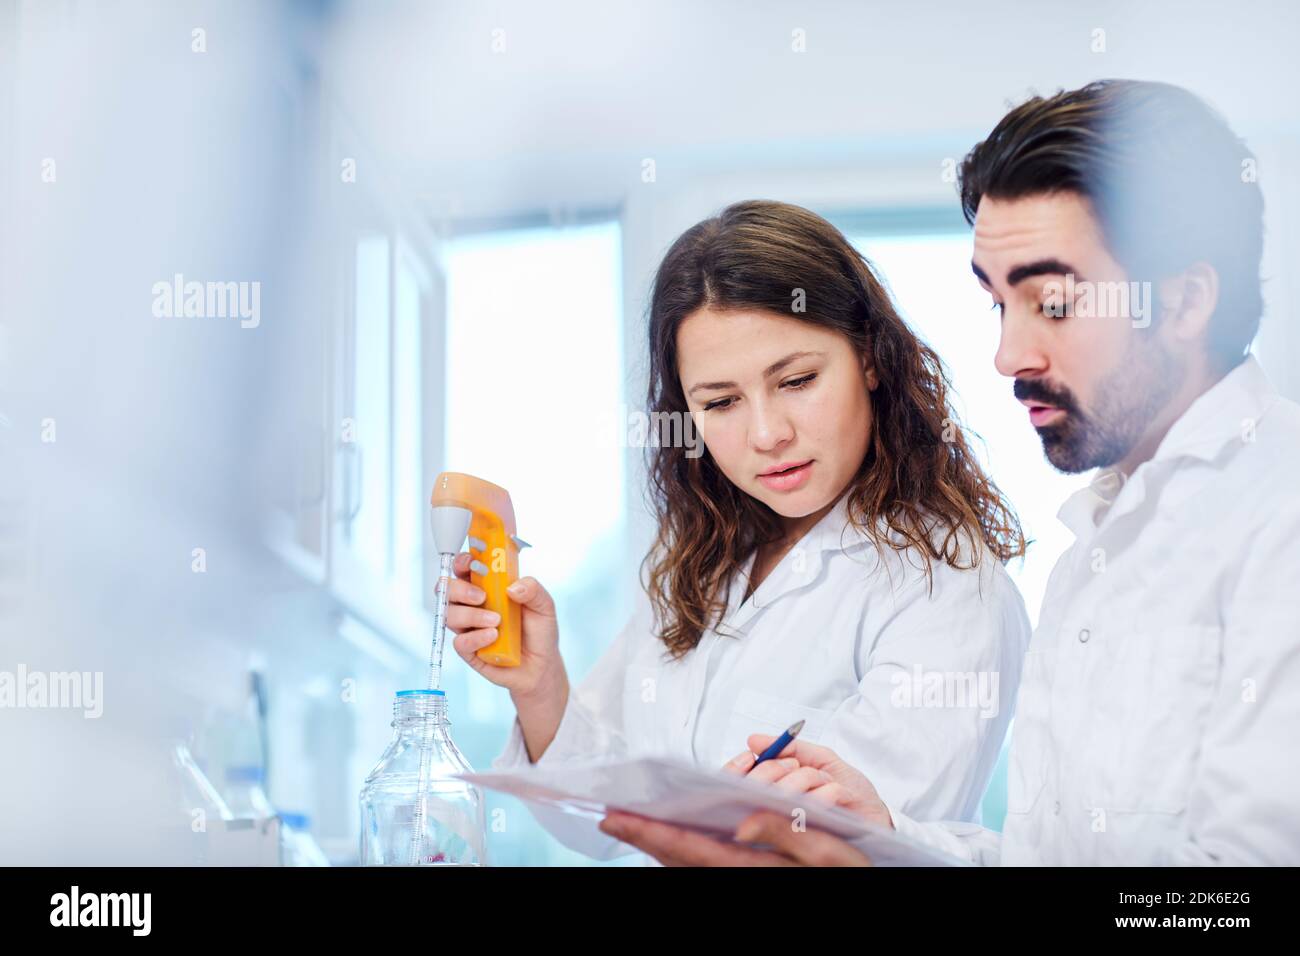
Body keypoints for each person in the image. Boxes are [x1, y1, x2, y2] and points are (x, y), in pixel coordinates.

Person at [605, 79, 1300, 866]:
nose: (1008, 356)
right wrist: (884, 844)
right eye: (999, 305)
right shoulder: (1091, 556)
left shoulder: (1281, 515)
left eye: (1054, 303)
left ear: (1183, 302)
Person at [446, 199, 1031, 861]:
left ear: (870, 356)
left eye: (798, 380)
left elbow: (851, 845)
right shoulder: (702, 561)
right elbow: (594, 820)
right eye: (720, 402)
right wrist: (539, 682)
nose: (766, 434)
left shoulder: (945, 585)